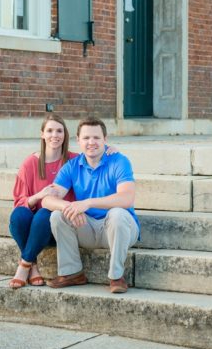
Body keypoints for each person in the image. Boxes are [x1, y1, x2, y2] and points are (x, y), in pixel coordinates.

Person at [42, 116, 139, 294]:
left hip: (118, 228)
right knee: (57, 215)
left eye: (96, 137)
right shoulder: (72, 166)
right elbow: (47, 199)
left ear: (105, 139)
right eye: (86, 138)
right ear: (78, 140)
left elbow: (127, 198)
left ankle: (116, 277)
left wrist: (87, 203)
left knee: (117, 213)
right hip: (87, 228)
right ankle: (72, 273)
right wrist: (68, 207)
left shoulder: (119, 161)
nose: (91, 142)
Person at [8, 113, 75, 289]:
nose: (55, 135)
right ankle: (33, 265)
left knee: (45, 214)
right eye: (50, 130)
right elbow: (19, 201)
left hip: (56, 226)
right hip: (31, 229)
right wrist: (39, 195)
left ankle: (24, 266)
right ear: (42, 134)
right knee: (19, 215)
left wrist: (109, 148)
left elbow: (97, 156)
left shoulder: (74, 161)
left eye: (59, 131)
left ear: (65, 134)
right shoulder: (30, 163)